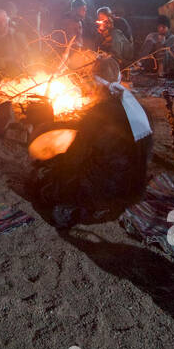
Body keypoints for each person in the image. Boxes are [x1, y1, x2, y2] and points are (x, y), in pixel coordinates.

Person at [31, 56, 154, 228]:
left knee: (45, 185)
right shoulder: (139, 109)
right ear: (119, 78)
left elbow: (75, 158)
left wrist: (57, 166)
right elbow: (146, 153)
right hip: (135, 186)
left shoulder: (97, 115)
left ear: (95, 83)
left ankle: (87, 207)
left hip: (105, 187)